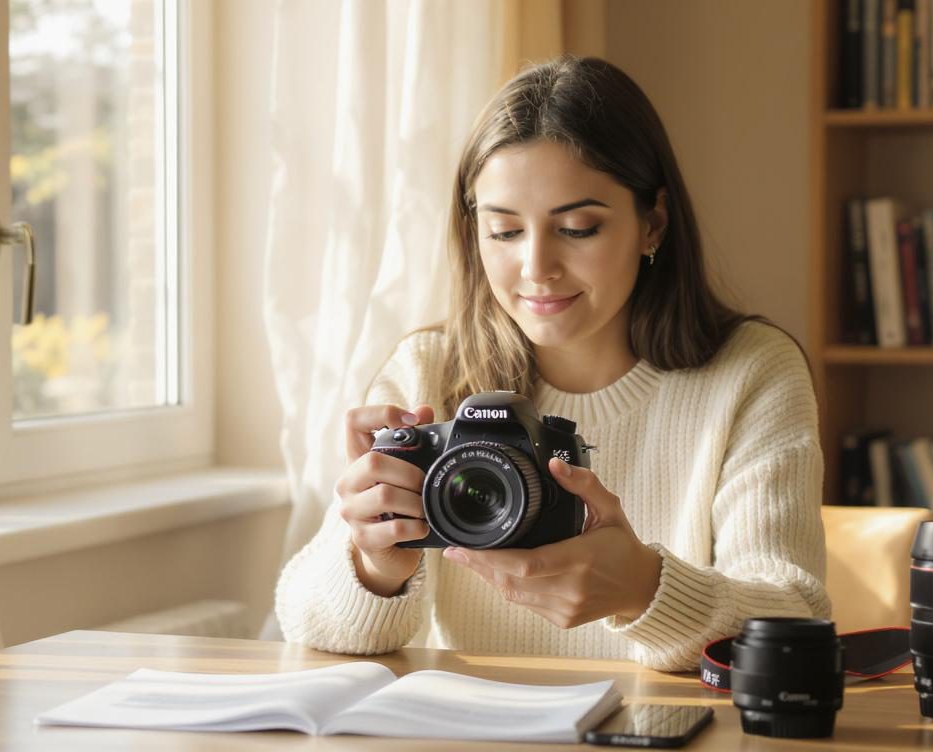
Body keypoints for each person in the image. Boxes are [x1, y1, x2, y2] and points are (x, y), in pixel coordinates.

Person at [274, 55, 828, 672]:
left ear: (653, 223)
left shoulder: (751, 373)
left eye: (578, 228)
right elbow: (304, 622)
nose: (537, 268)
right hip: (471, 721)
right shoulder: (428, 371)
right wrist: (375, 564)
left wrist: (645, 589)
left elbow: (797, 618)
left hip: (666, 723)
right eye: (505, 232)